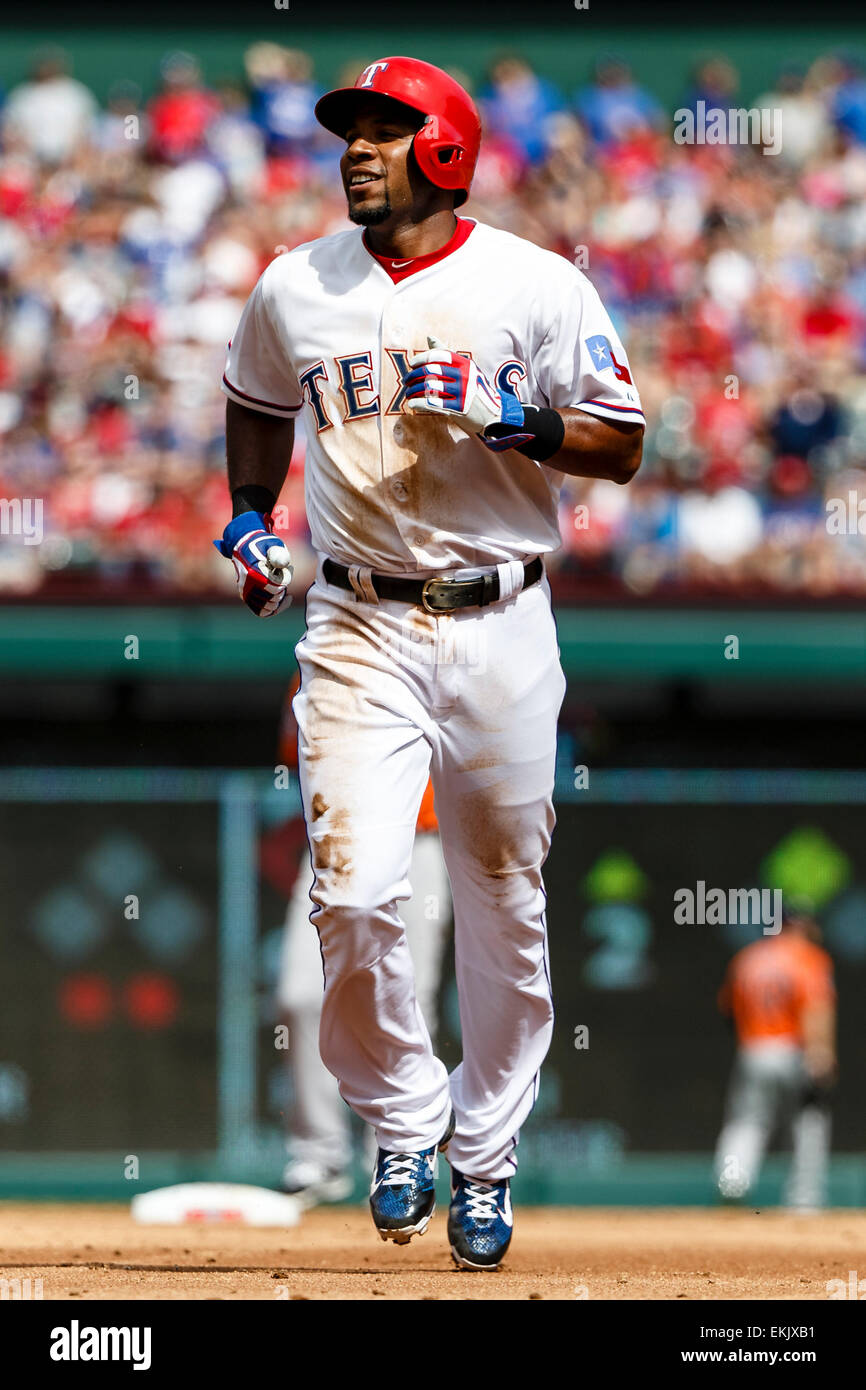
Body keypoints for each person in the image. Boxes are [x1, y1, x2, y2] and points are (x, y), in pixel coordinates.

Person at [215, 55, 643, 1269]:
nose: (356, 148)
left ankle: (487, 1158)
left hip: (503, 619)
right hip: (353, 623)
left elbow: (623, 439)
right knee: (352, 895)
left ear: (445, 149)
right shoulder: (294, 284)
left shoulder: (534, 282)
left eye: (385, 130)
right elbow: (252, 394)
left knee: (502, 899)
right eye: (349, 130)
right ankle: (404, 1118)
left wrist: (525, 421)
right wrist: (252, 513)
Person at [272, 675, 451, 1207]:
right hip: (339, 845)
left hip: (420, 842)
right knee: (300, 994)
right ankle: (319, 1154)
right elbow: (296, 757)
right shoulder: (318, 656)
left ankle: (398, 1154)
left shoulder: (436, 647)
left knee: (408, 1005)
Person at [714, 905, 837, 1210]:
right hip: (795, 1049)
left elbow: (728, 1010)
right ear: (797, 926)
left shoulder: (747, 958)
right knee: (809, 1122)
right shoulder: (807, 957)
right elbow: (816, 1008)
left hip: (754, 1048)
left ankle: (732, 1184)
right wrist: (820, 1051)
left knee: (746, 1122)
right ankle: (804, 1200)